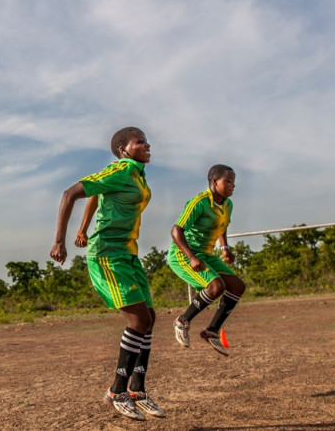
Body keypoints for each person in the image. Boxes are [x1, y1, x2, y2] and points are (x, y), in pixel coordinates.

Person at [51, 127, 165, 421]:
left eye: (146, 140)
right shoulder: (121, 169)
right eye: (139, 141)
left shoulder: (136, 173)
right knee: (139, 320)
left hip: (128, 253)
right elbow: (71, 193)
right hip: (107, 255)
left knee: (149, 319)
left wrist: (82, 228)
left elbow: (96, 192)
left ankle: (138, 390)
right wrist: (61, 240)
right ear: (123, 149)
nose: (147, 144)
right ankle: (117, 391)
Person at [169, 164, 245, 356]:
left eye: (233, 182)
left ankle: (212, 331)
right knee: (216, 287)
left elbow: (222, 224)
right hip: (184, 254)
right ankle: (182, 321)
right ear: (214, 182)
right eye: (228, 181)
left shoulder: (228, 204)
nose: (232, 185)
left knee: (237, 286)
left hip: (206, 254)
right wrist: (192, 257)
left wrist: (225, 248)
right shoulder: (199, 202)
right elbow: (176, 230)